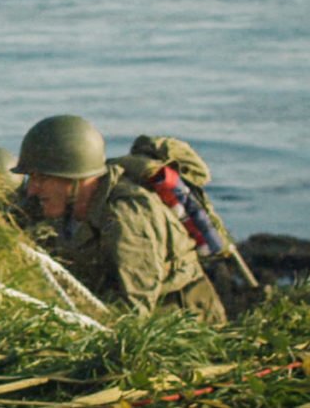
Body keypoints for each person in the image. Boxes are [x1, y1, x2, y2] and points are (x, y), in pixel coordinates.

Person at [13, 114, 226, 324]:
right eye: (31, 178)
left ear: (75, 178)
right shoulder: (60, 202)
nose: (32, 189)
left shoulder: (128, 216)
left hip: (182, 324)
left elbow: (133, 312)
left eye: (41, 178)